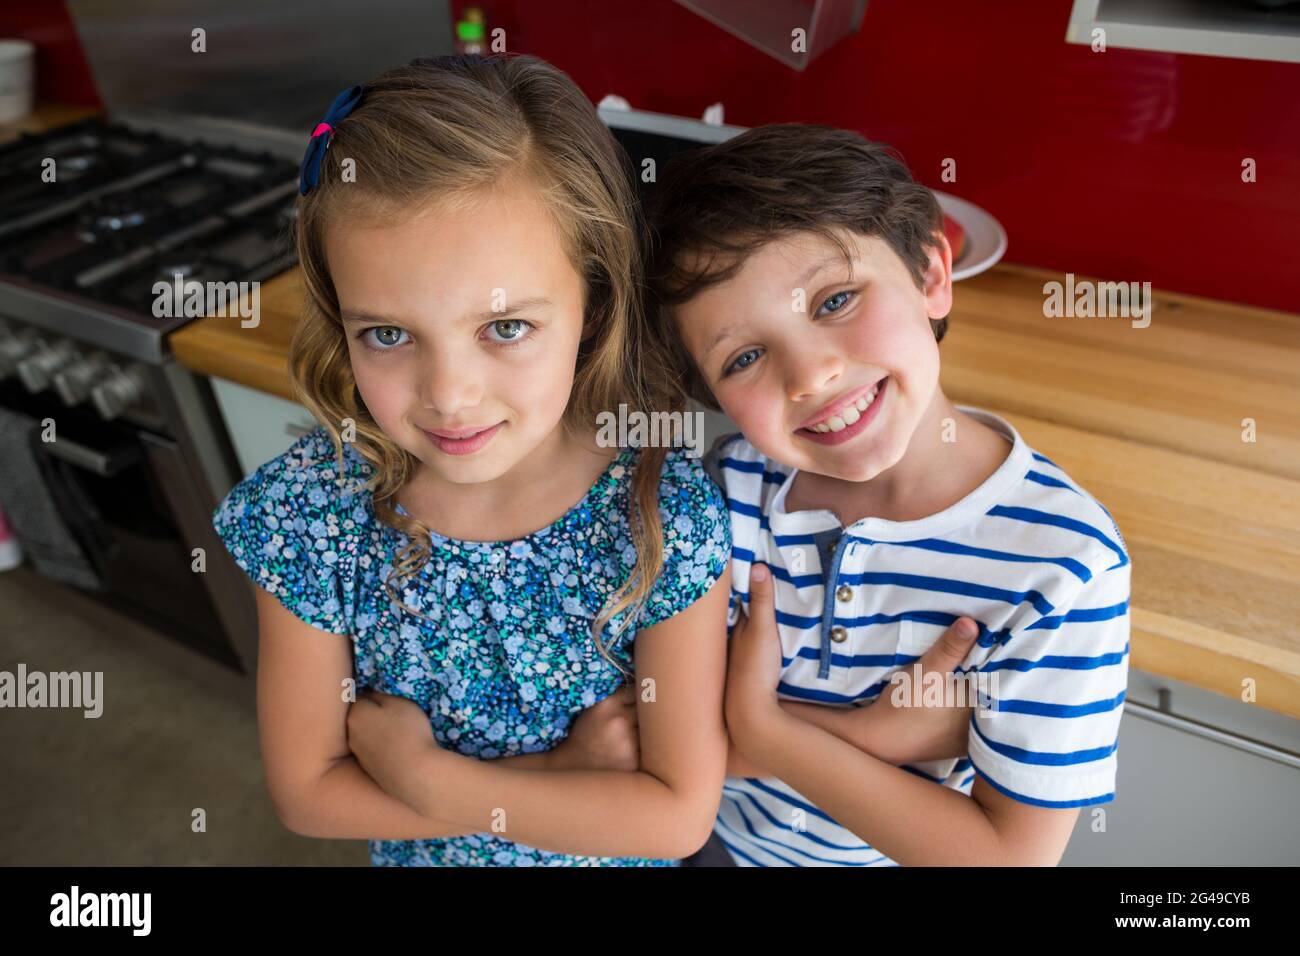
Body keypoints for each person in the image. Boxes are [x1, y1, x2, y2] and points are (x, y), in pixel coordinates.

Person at [211, 54, 732, 866]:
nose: (449, 396)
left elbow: (673, 818)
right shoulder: (307, 516)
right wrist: (560, 776)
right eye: (388, 334)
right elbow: (309, 795)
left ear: (593, 302)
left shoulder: (661, 513)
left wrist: (429, 779)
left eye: (505, 328)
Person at [647, 124, 1131, 866]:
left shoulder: (1065, 565)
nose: (809, 376)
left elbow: (1004, 858)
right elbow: (640, 738)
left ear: (932, 274)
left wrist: (761, 726)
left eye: (836, 299)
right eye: (744, 356)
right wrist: (873, 735)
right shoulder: (717, 494)